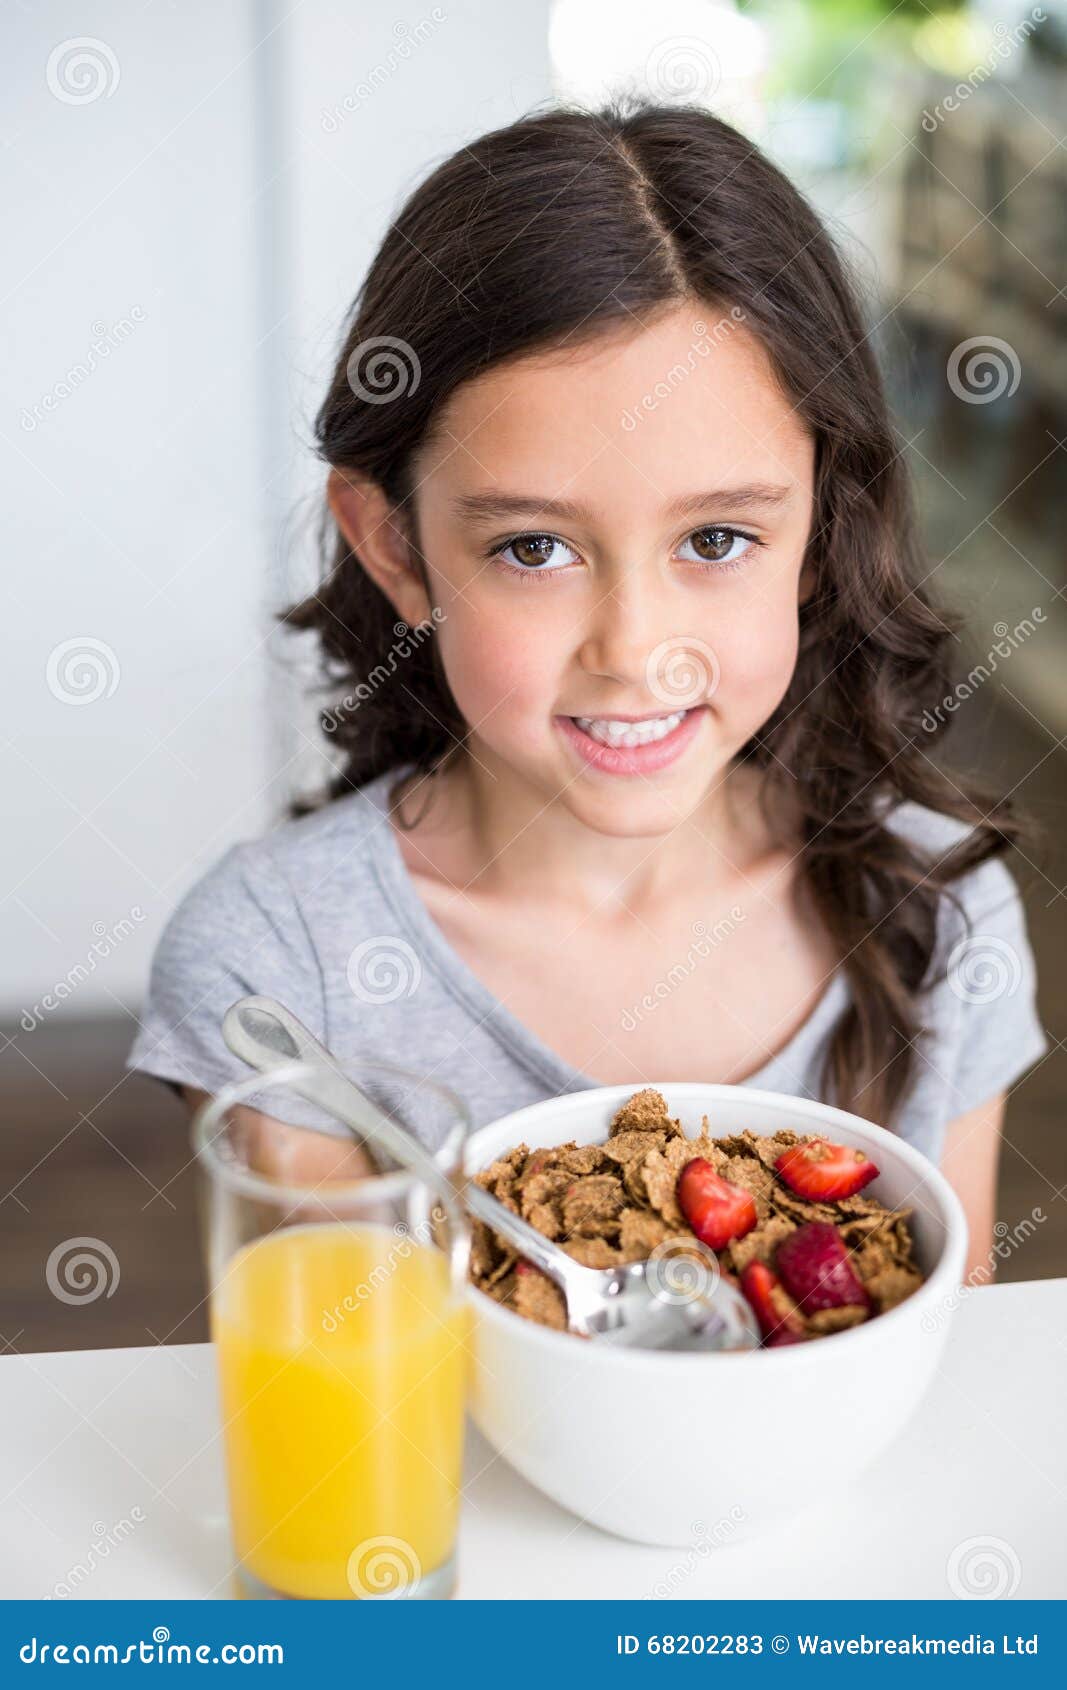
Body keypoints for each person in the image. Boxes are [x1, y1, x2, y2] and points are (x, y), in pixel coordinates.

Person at [127, 100, 1047, 1282]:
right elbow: (356, 1408)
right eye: (533, 548)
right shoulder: (279, 962)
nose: (633, 649)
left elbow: (934, 1374)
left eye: (715, 539)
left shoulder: (940, 917)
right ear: (396, 550)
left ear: (820, 529)